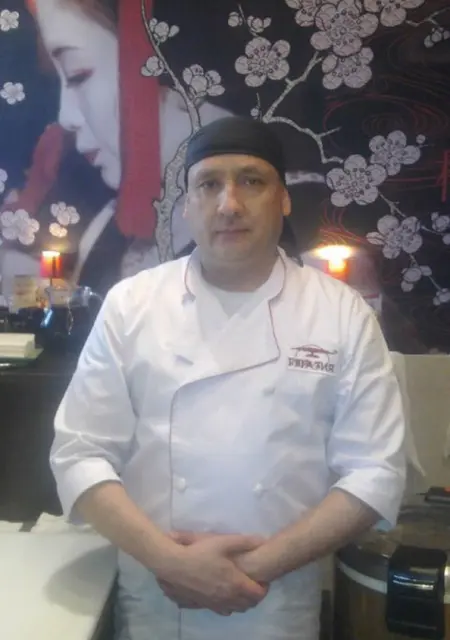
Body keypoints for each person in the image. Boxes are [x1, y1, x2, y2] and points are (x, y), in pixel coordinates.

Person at [50, 116, 406, 640]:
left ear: (284, 199)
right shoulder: (132, 304)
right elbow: (79, 454)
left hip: (276, 603)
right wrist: (173, 563)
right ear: (187, 205)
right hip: (158, 600)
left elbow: (375, 472)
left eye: (252, 181)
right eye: (209, 184)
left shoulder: (340, 313)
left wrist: (250, 571)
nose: (229, 204)